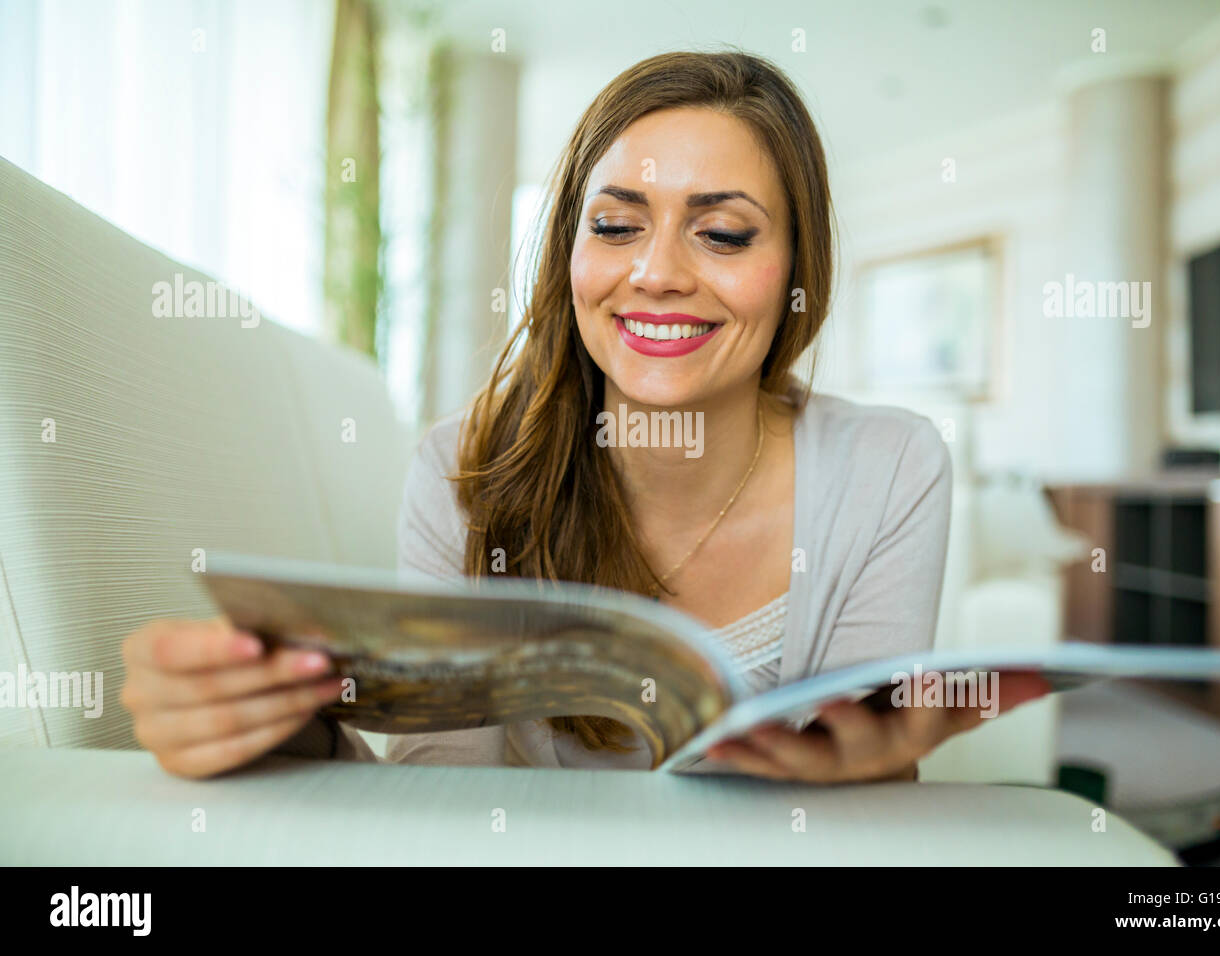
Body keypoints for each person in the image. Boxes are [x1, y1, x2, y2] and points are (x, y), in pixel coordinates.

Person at [120, 49, 1048, 781]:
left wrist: (867, 772)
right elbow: (444, 801)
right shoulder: (465, 471)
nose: (657, 273)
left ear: (799, 272)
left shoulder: (893, 465)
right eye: (615, 225)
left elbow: (865, 799)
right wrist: (279, 733)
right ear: (569, 254)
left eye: (723, 233)